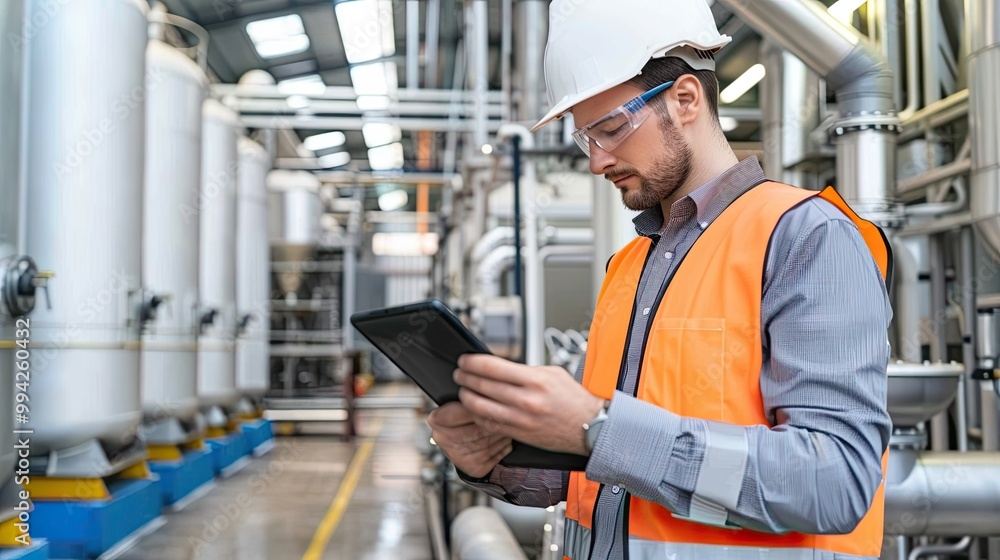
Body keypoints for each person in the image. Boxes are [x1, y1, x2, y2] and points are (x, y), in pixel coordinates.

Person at [427, 0, 893, 558]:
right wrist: (495, 461)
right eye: (586, 139)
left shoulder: (807, 237)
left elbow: (834, 482)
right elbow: (601, 471)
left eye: (611, 129)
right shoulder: (630, 267)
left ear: (686, 99)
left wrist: (598, 428)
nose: (597, 161)